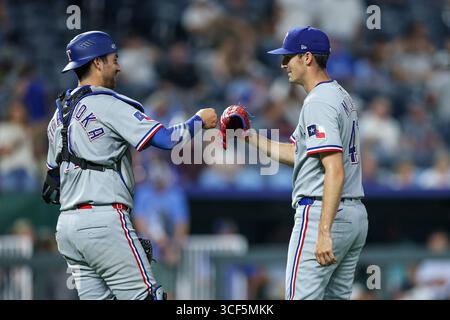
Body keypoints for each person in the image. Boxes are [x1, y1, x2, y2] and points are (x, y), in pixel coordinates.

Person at [43, 31, 217, 300]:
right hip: (104, 220)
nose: (119, 65)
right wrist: (198, 120)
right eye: (114, 59)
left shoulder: (58, 115)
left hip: (68, 227)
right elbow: (167, 139)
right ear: (97, 63)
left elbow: (51, 177)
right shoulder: (107, 103)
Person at [234, 26, 368, 299]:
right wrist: (247, 136)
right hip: (353, 215)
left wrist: (324, 231)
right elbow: (299, 153)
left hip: (323, 211)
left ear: (307, 58)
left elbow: (334, 169)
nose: (283, 64)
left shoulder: (318, 101)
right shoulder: (340, 95)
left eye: (289, 56)